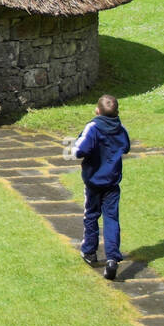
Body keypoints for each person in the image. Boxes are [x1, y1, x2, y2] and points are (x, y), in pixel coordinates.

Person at [73, 94, 131, 280]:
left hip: (94, 182)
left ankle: (90, 250)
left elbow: (78, 151)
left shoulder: (93, 127)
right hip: (112, 182)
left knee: (91, 215)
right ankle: (112, 258)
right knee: (111, 218)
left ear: (97, 110)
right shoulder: (120, 128)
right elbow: (126, 146)